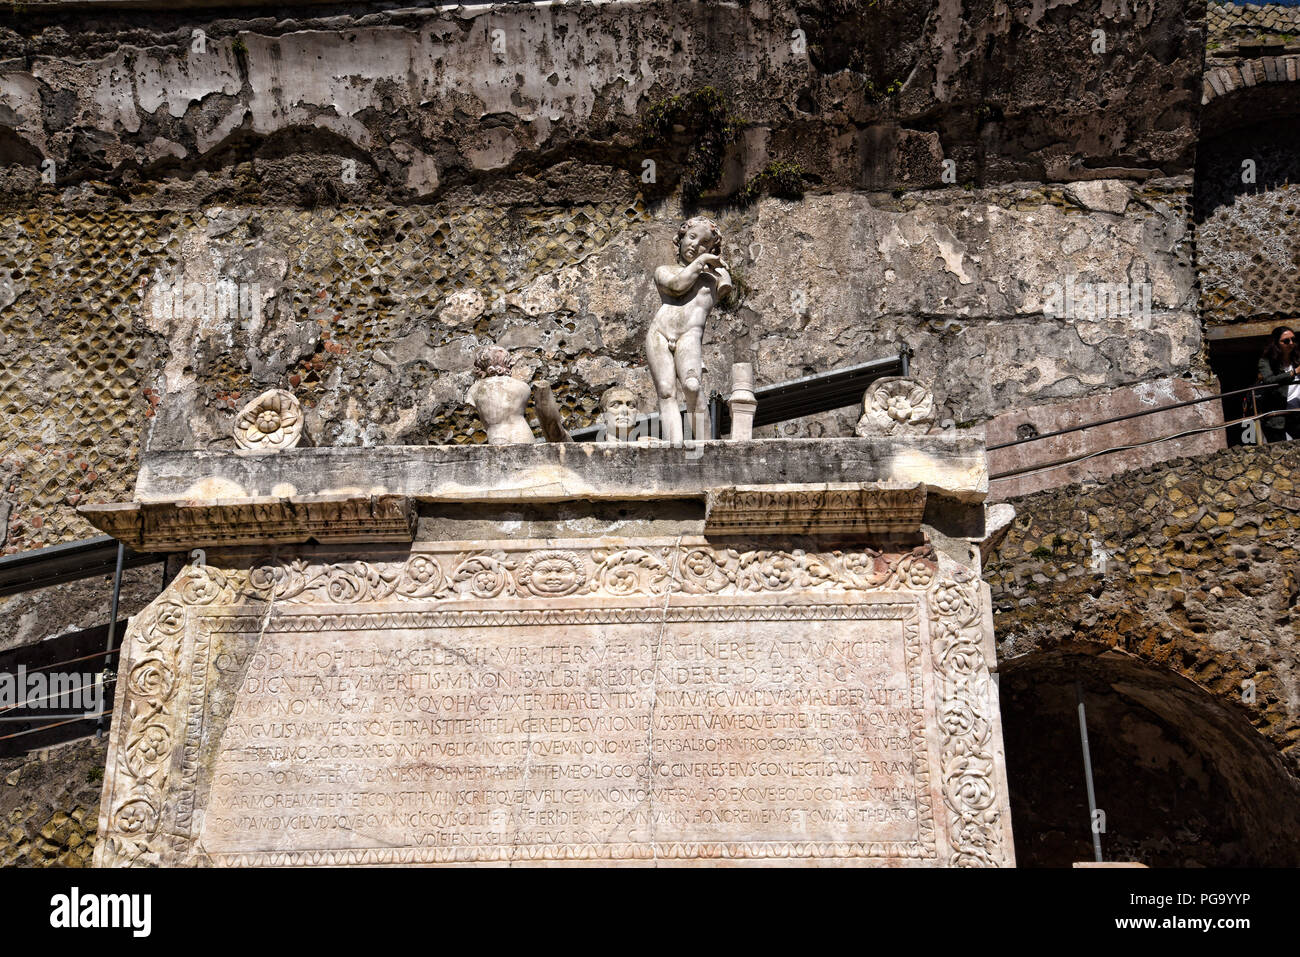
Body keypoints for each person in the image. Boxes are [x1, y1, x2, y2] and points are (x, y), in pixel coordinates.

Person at [646, 217, 732, 444]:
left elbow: (727, 287)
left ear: (713, 247)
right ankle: (674, 445)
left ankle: (706, 445)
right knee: (666, 392)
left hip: (690, 334)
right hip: (660, 333)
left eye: (704, 243)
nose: (695, 245)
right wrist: (703, 259)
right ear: (681, 238)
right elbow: (677, 287)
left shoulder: (716, 277)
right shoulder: (664, 271)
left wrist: (714, 266)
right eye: (692, 237)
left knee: (692, 386)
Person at [1255, 326, 1299, 443]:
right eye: (1286, 341)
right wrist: (1293, 373)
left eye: (1293, 339)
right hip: (1277, 415)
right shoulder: (1266, 361)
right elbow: (1269, 380)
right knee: (1278, 451)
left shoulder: (1298, 359)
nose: (1291, 343)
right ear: (1276, 343)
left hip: (1297, 412)